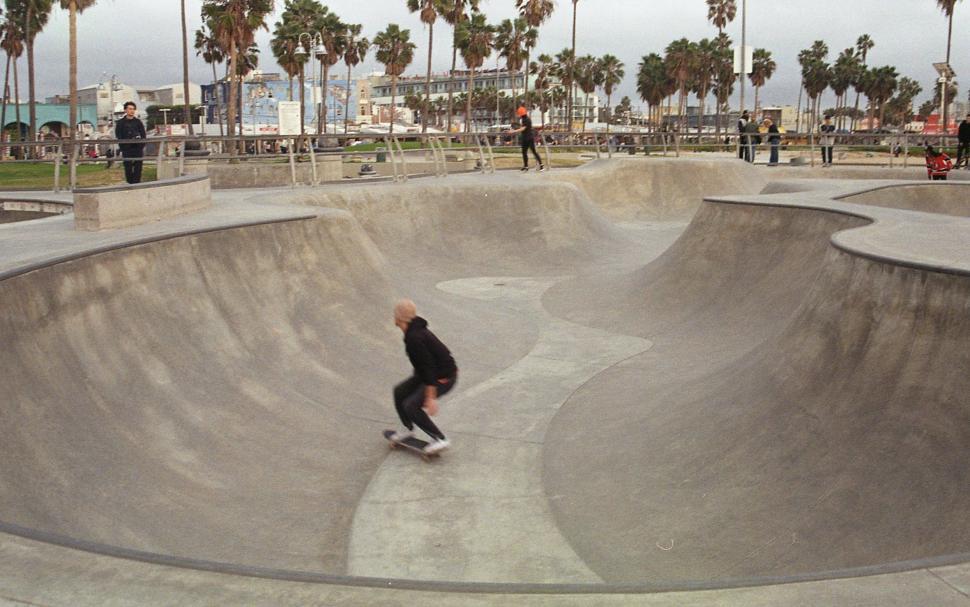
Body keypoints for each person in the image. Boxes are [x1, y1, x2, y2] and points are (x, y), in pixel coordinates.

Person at [389, 299, 458, 454]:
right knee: (399, 391)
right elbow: (424, 364)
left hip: (444, 377)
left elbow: (428, 367)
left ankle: (440, 439)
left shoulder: (414, 338)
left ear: (398, 319)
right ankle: (407, 428)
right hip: (430, 374)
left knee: (411, 405)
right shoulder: (415, 330)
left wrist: (431, 397)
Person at [115, 101, 147, 184]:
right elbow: (119, 135)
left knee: (138, 168)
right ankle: (130, 183)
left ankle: (137, 184)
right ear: (125, 110)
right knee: (128, 168)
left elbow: (143, 135)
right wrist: (123, 147)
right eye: (130, 109)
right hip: (126, 149)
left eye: (133, 109)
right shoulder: (120, 123)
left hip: (137, 148)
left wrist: (141, 146)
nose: (132, 111)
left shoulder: (138, 122)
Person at [507, 106, 544, 172]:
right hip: (529, 137)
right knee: (528, 152)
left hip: (527, 138)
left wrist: (513, 131)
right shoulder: (526, 119)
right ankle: (530, 165)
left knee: (528, 152)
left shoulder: (525, 119)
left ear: (520, 114)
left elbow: (523, 128)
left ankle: (532, 166)